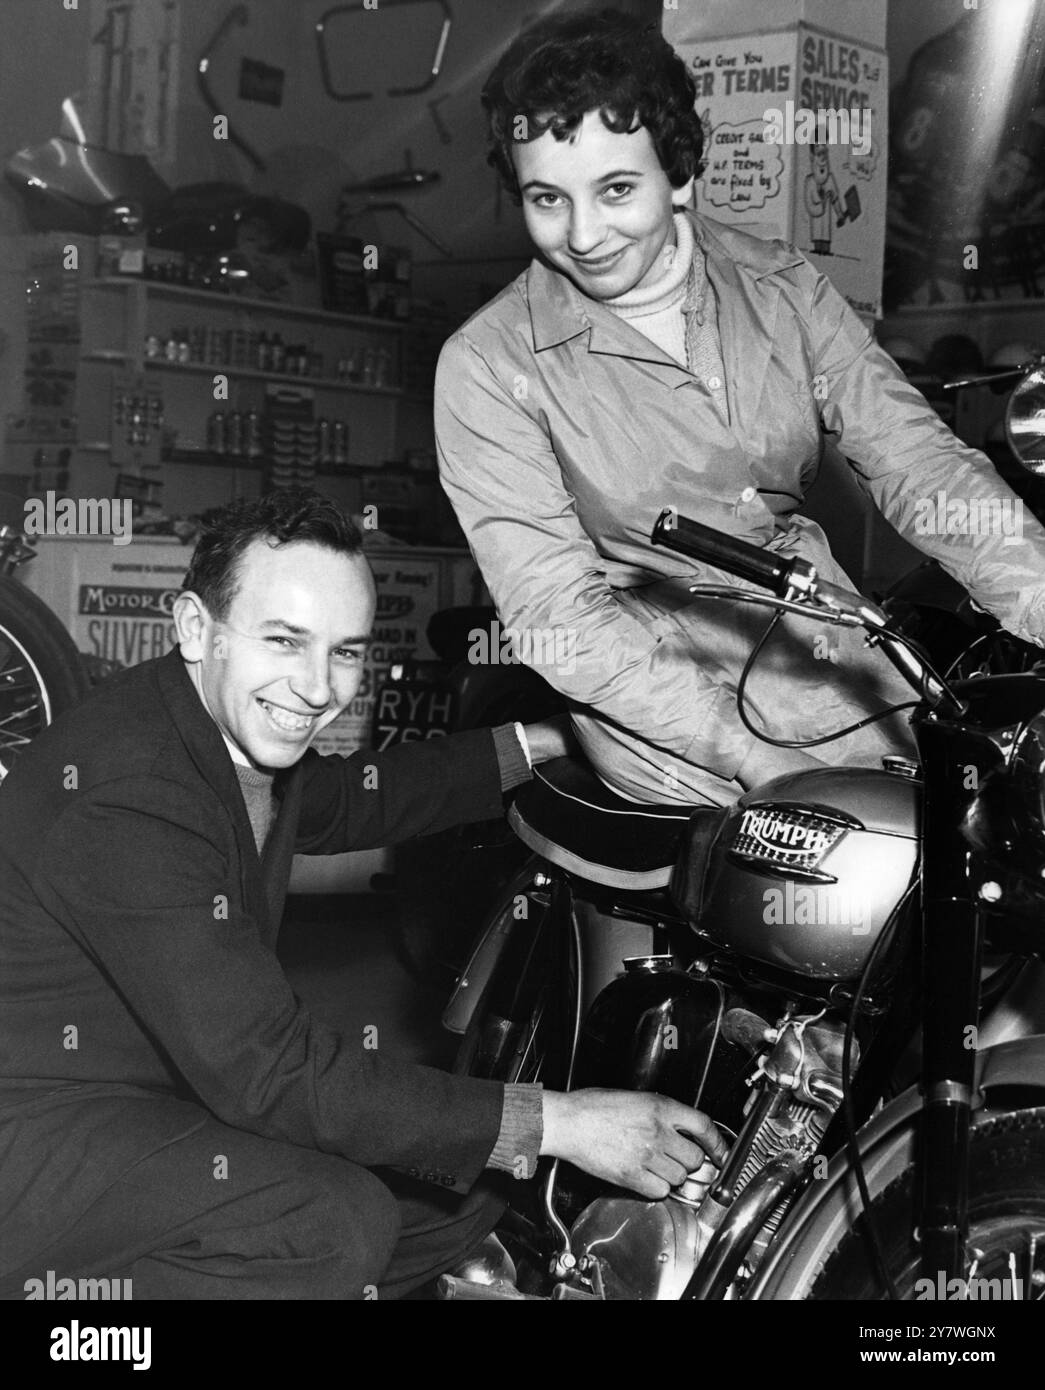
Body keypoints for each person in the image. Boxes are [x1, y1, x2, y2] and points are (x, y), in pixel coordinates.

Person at [0, 488, 726, 1300]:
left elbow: (357, 795)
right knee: (331, 1221)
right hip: (34, 1132)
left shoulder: (208, 718)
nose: (316, 689)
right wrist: (564, 1120)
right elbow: (269, 1071)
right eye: (284, 641)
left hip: (146, 1088)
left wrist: (556, 739)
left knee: (471, 1191)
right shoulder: (130, 794)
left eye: (344, 653)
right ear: (197, 628)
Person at [435, 8, 1045, 809]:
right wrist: (742, 754)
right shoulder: (487, 364)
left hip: (833, 663)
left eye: (616, 190)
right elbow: (562, 615)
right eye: (546, 198)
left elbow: (924, 469)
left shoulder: (784, 291)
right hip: (660, 707)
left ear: (680, 171)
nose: (582, 235)